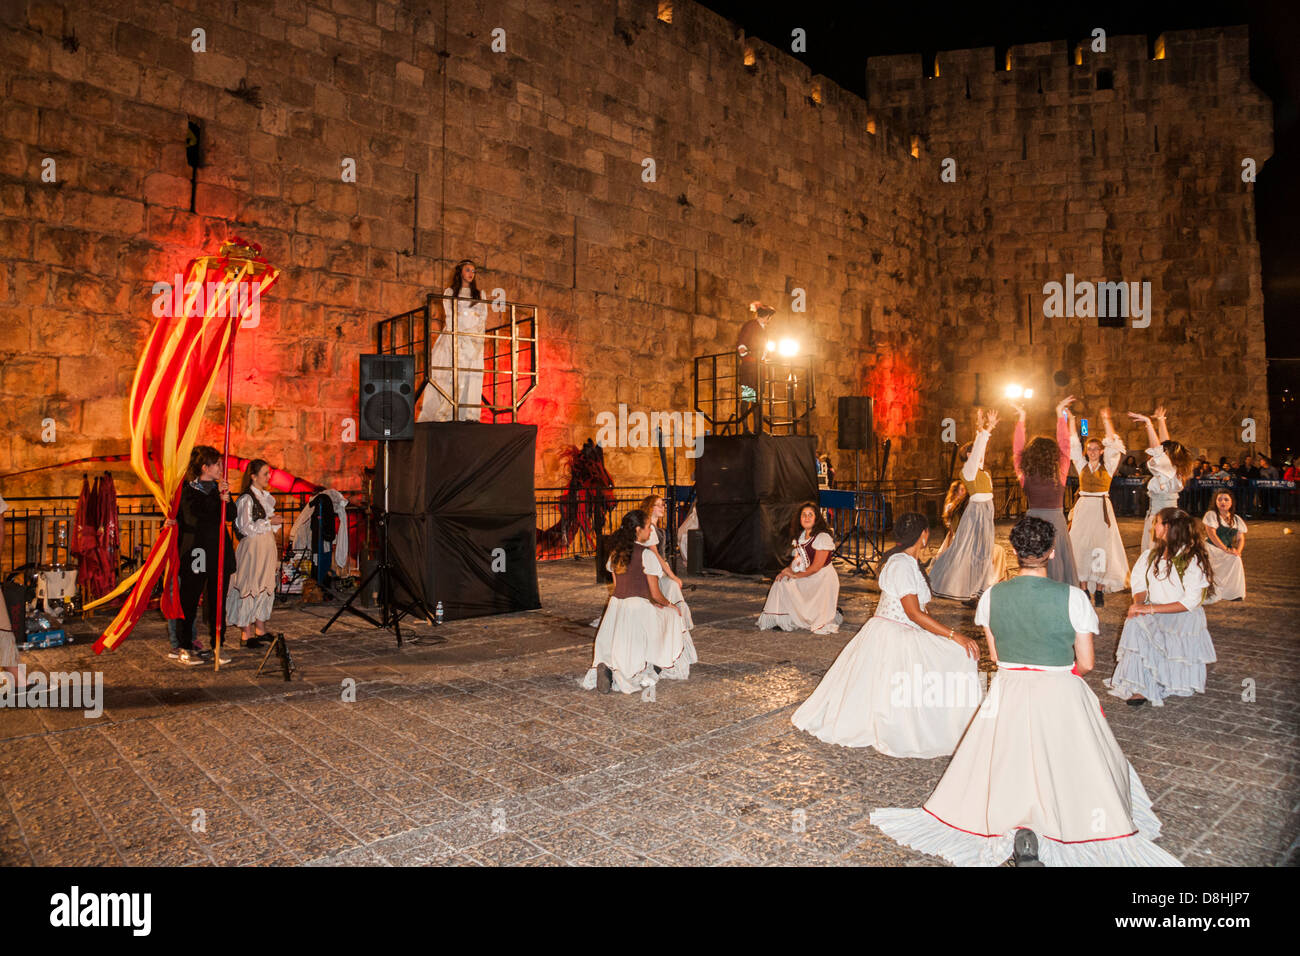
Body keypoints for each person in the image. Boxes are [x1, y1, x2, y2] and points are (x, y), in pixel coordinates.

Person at [870, 515, 1181, 867]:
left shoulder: (991, 596)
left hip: (1009, 689)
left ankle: (1014, 818)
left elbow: (998, 655)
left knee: (1007, 761)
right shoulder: (1073, 597)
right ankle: (1061, 818)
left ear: (1015, 551)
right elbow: (1088, 663)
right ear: (1050, 553)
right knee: (1070, 764)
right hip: (1059, 689)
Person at [791, 512, 980, 756]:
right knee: (956, 652)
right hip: (894, 632)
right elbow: (912, 612)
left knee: (954, 656)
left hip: (908, 630)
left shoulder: (909, 562)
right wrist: (955, 635)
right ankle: (941, 723)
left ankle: (954, 720)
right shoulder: (900, 564)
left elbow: (922, 609)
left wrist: (942, 634)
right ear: (923, 536)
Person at [1106, 508, 1216, 708]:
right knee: (1134, 622)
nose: (1153, 526)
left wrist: (1151, 610)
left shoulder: (1192, 558)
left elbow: (1190, 602)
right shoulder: (1150, 555)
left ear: (1168, 527)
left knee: (1140, 618)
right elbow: (1139, 584)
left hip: (1181, 617)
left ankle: (1165, 676)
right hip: (1154, 611)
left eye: (1157, 522)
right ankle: (1139, 685)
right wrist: (1139, 604)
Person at [581, 510, 696, 695]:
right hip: (638, 608)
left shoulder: (616, 553)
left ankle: (610, 670)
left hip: (616, 607)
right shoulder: (646, 555)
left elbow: (618, 586)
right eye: (647, 527)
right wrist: (669, 604)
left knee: (652, 623)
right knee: (673, 617)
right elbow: (655, 593)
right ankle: (657, 666)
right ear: (637, 529)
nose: (650, 531)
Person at [929, 409, 1007, 604]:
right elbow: (980, 447)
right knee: (972, 551)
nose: (981, 454)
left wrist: (981, 428)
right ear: (969, 455)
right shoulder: (969, 470)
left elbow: (981, 447)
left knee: (983, 552)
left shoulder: (979, 469)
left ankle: (978, 589)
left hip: (986, 510)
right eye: (975, 452)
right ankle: (969, 588)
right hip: (978, 511)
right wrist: (986, 428)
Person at [175, 445, 235, 665]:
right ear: (205, 467)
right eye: (217, 464)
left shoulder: (219, 488)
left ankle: (218, 644)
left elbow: (230, 515)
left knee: (218, 602)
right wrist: (218, 498)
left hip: (218, 551)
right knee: (189, 600)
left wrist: (227, 498)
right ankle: (184, 646)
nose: (221, 467)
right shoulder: (189, 489)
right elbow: (195, 518)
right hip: (196, 552)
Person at [1011, 396, 1078, 585]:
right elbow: (1065, 445)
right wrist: (1060, 415)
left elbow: (1017, 450)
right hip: (1056, 519)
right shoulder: (1060, 470)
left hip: (1032, 519)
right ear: (1053, 455)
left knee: (1033, 558)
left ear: (1029, 455)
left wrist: (1021, 419)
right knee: (1057, 563)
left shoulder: (1024, 471)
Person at [1066, 407, 1129, 605]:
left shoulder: (1108, 467)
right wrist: (1072, 419)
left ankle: (1100, 588)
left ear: (1101, 451)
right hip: (1084, 508)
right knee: (1081, 546)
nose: (1092, 452)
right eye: (1090, 449)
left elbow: (1114, 446)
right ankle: (1084, 588)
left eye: (1096, 449)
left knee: (1101, 548)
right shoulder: (1081, 465)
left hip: (1102, 508)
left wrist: (1106, 419)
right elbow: (1073, 443)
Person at [419, 259, 490, 422]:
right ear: (460, 272)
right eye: (468, 270)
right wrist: (458, 335)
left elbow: (482, 318)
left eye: (473, 271)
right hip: (455, 337)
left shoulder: (479, 295)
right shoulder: (451, 292)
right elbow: (450, 315)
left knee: (470, 376)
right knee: (449, 374)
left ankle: (467, 415)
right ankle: (446, 413)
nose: (471, 274)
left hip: (472, 341)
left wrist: (475, 338)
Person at [758, 502, 840, 634]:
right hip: (809, 573)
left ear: (816, 518)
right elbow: (798, 557)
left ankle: (821, 615)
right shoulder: (801, 536)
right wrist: (788, 570)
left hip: (822, 578)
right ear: (799, 518)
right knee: (782, 582)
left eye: (810, 515)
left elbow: (816, 567)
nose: (806, 518)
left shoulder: (822, 537)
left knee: (791, 583)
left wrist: (796, 575)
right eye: (804, 515)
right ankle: (784, 619)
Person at [226, 459, 283, 647]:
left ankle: (261, 629)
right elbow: (245, 527)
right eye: (265, 473)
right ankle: (246, 634)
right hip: (252, 548)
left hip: (265, 546)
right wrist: (269, 522)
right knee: (250, 585)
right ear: (253, 476)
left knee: (264, 585)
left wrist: (272, 522)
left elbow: (265, 523)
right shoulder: (246, 499)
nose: (269, 477)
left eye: (269, 473)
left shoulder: (264, 497)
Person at [1129, 408, 1194, 553]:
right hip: (1159, 514)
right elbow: (1165, 445)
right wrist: (1161, 421)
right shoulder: (1172, 470)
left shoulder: (1169, 471)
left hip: (1163, 518)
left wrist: (1149, 424)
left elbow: (1158, 449)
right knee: (1156, 551)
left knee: (1158, 552)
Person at [637, 493, 693, 629]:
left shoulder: (655, 528)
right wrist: (673, 576)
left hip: (659, 568)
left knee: (670, 590)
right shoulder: (649, 529)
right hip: (653, 569)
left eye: (663, 505)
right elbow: (656, 555)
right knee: (671, 588)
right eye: (659, 505)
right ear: (650, 508)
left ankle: (670, 621)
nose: (663, 508)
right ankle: (672, 620)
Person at [736, 301, 774, 433]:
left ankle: (758, 428)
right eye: (770, 317)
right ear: (767, 316)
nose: (770, 320)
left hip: (759, 367)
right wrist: (746, 354)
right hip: (750, 367)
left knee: (758, 398)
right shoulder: (751, 325)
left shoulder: (763, 329)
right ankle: (745, 428)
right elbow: (742, 343)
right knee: (748, 397)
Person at [1202, 491, 1246, 603]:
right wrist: (1225, 549)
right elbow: (1212, 534)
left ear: (1231, 502)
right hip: (1211, 548)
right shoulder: (1211, 515)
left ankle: (1233, 593)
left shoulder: (1236, 519)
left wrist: (1238, 551)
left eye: (1226, 499)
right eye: (1219, 499)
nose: (1223, 502)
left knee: (1236, 559)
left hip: (1226, 550)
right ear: (1215, 502)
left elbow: (1241, 538)